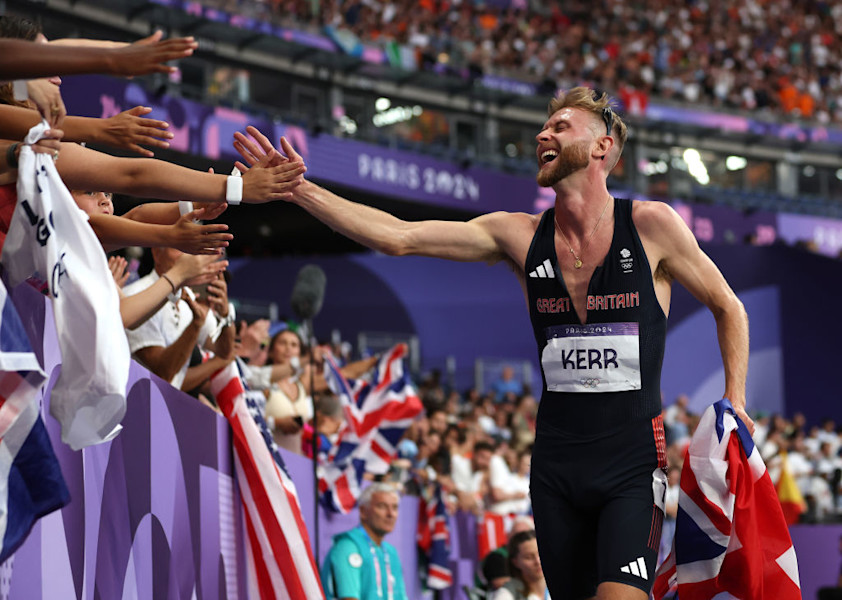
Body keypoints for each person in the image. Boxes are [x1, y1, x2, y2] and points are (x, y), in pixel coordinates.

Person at [233, 86, 752, 600]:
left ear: (602, 146)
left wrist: (737, 399)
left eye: (560, 127)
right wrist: (299, 190)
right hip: (555, 467)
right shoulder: (518, 236)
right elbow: (399, 236)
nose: (542, 134)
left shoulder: (651, 226)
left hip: (632, 463)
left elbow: (729, 306)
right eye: (544, 127)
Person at [320, 482, 408, 600]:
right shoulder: (348, 546)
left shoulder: (391, 552)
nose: (390, 514)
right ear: (363, 511)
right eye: (382, 506)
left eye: (395, 507)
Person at [489, 530, 550, 600]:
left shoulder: (559, 583)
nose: (538, 561)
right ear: (515, 562)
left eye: (540, 554)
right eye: (529, 557)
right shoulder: (506, 593)